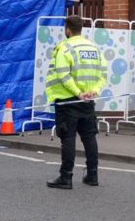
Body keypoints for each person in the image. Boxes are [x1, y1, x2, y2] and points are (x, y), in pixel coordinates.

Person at [46, 15, 107, 189]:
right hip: (88, 100)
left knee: (68, 138)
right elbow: (103, 74)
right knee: (89, 137)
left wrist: (78, 93)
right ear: (81, 29)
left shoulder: (64, 48)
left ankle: (66, 177)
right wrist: (94, 91)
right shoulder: (94, 48)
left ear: (67, 29)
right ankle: (92, 175)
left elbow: (63, 75)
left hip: (68, 100)